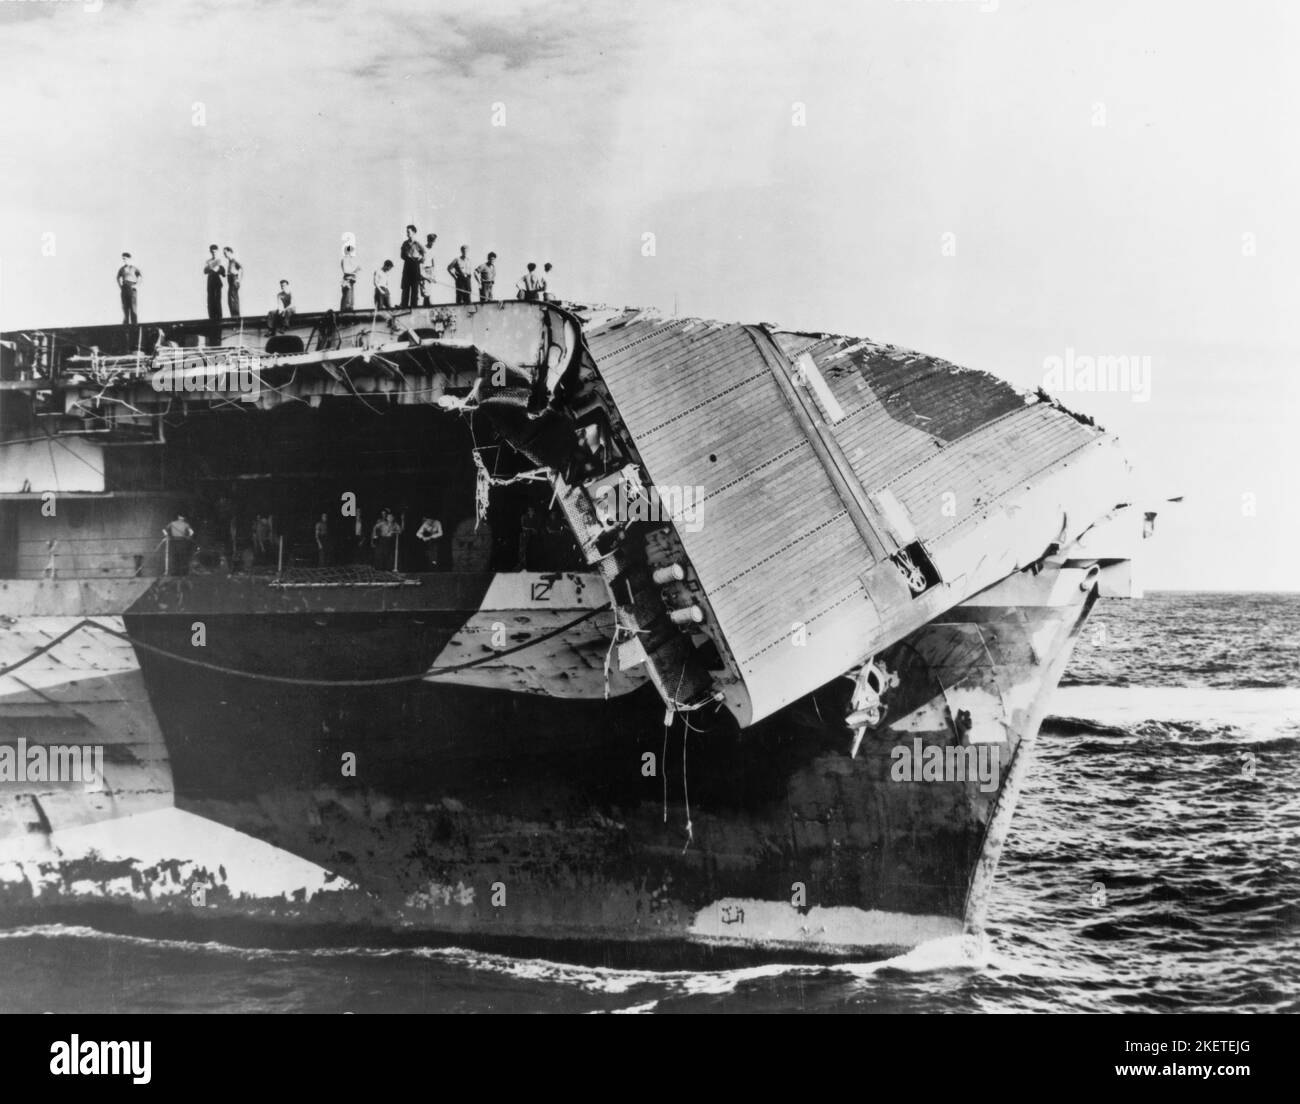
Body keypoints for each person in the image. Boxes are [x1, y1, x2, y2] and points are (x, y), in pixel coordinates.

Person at [399, 224, 424, 308]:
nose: (407, 233)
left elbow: (424, 255)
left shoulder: (418, 244)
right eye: (407, 232)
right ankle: (404, 306)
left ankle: (414, 307)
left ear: (413, 232)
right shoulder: (405, 243)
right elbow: (401, 255)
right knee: (405, 288)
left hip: (415, 266)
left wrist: (420, 258)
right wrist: (407, 256)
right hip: (407, 266)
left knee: (415, 289)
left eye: (408, 232)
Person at [116, 252, 141, 325]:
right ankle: (126, 323)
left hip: (132, 288)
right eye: (123, 259)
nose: (124, 260)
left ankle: (134, 324)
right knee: (125, 307)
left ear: (129, 259)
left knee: (133, 308)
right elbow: (118, 277)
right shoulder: (122, 269)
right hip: (124, 287)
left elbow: (139, 277)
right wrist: (120, 286)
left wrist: (136, 285)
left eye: (125, 259)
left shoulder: (134, 268)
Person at [203, 244, 225, 322]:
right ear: (210, 252)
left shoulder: (219, 260)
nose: (214, 253)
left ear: (217, 252)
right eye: (212, 252)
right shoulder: (209, 261)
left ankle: (219, 317)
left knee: (217, 301)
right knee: (210, 301)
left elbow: (220, 271)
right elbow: (205, 270)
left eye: (215, 252)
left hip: (217, 283)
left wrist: (211, 266)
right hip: (210, 283)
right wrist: (212, 266)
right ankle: (212, 318)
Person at [516, 503, 541, 570]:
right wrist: (530, 529)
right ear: (528, 511)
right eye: (530, 510)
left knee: (532, 550)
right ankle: (522, 564)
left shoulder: (536, 517)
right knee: (522, 550)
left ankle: (531, 564)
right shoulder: (524, 516)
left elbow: (537, 528)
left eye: (532, 510)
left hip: (532, 536)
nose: (531, 511)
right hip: (524, 535)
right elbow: (523, 527)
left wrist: (533, 530)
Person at [340, 244, 361, 310]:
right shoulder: (345, 259)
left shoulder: (349, 260)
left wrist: (355, 271)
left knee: (351, 300)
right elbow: (346, 271)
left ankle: (348, 310)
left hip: (351, 281)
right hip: (347, 281)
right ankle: (344, 311)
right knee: (347, 299)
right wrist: (355, 271)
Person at [224, 247, 243, 317]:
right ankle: (234, 316)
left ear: (229, 252)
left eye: (225, 253)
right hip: (230, 282)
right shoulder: (229, 262)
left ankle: (236, 316)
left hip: (234, 280)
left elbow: (241, 268)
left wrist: (239, 279)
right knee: (230, 300)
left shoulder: (234, 261)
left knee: (233, 299)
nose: (224, 254)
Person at [419, 233, 437, 305]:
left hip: (430, 270)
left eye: (434, 241)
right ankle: (429, 304)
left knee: (428, 291)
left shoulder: (433, 250)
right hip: (423, 270)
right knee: (425, 291)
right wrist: (423, 274)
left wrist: (433, 275)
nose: (432, 243)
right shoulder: (423, 248)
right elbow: (420, 262)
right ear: (428, 240)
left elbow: (433, 263)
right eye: (431, 241)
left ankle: (427, 305)